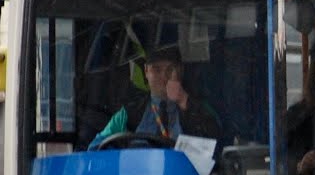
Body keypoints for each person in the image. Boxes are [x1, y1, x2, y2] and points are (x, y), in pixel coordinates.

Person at [88, 45, 221, 149]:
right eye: (156, 69)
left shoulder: (199, 108)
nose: (164, 77)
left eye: (170, 69)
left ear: (180, 71)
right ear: (146, 71)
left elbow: (216, 144)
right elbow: (96, 147)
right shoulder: (128, 114)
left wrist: (183, 100)